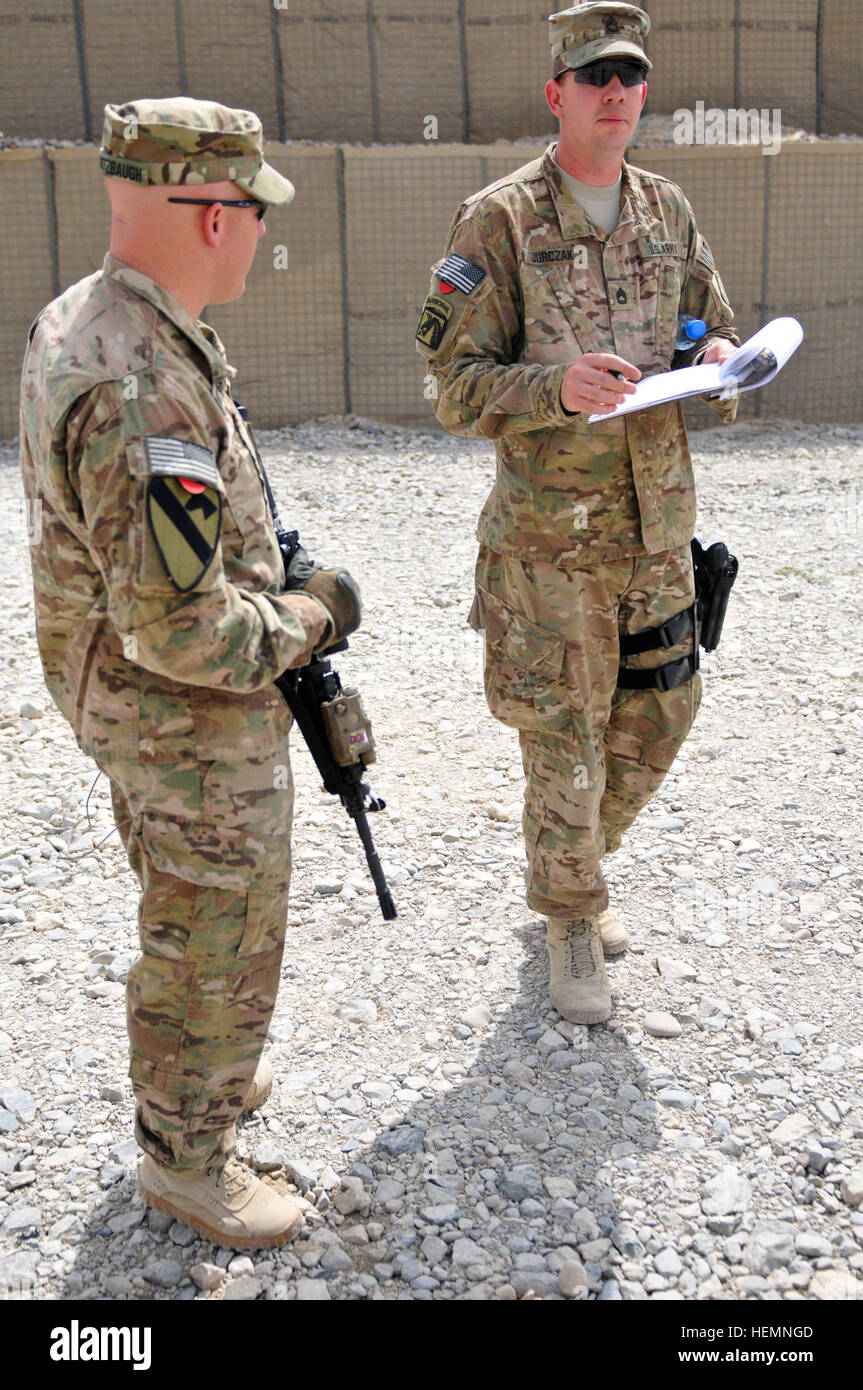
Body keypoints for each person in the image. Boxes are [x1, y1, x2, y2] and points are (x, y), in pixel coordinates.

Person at [19, 98, 360, 1248]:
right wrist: (307, 619)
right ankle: (186, 1152)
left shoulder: (98, 316)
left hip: (128, 700)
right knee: (216, 919)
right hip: (180, 711)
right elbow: (179, 629)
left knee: (186, 895)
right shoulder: (140, 380)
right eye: (250, 210)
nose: (260, 232)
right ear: (208, 216)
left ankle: (200, 1071)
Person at [417, 3, 740, 1026]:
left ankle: (573, 864)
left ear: (642, 92)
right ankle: (568, 915)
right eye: (592, 76)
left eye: (629, 77)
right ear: (555, 91)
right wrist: (551, 391)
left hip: (654, 528)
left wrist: (718, 363)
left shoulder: (665, 212)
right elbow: (451, 387)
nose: (613, 93)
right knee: (563, 736)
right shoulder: (497, 221)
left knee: (662, 710)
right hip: (550, 547)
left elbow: (709, 328)